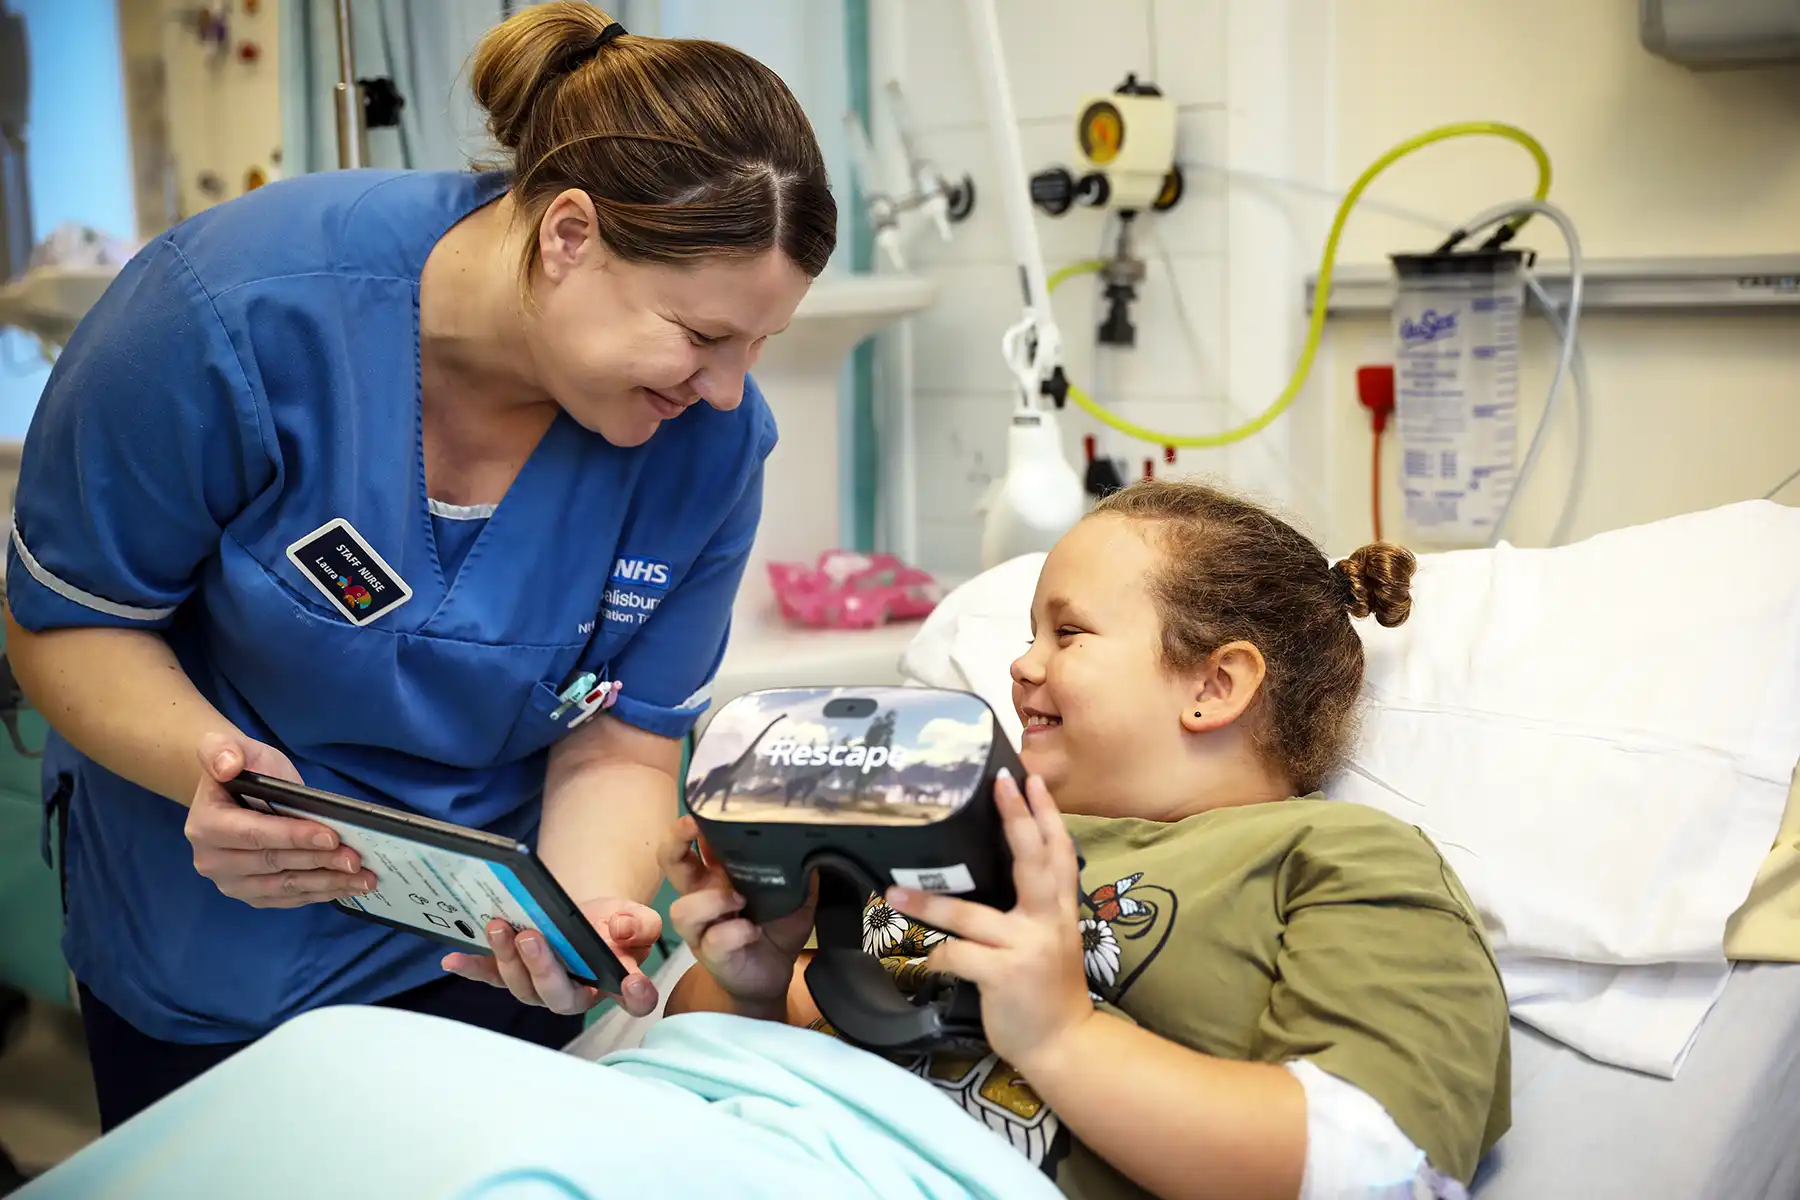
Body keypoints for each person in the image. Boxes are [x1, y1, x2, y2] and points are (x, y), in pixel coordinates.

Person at [3, 3, 834, 1131]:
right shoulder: (233, 314)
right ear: (569, 236)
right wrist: (205, 767)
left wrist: (579, 918)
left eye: (759, 345)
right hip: (216, 951)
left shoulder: (710, 447)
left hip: (486, 967)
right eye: (699, 335)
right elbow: (67, 621)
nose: (730, 388)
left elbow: (622, 737)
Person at [660, 479, 1512, 1200]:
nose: (1022, 667)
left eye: (1066, 633)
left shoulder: (1340, 858)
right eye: (1030, 635)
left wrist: (1063, 1035)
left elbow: (1377, 1163)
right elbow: (728, 1033)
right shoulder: (962, 834)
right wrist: (753, 989)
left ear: (1215, 684)